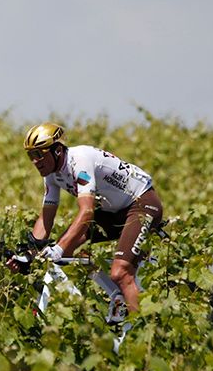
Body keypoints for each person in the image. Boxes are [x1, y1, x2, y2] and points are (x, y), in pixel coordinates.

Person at [10, 122, 164, 313]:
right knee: (64, 256)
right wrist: (31, 253)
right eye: (31, 156)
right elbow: (46, 218)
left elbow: (87, 212)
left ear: (57, 151)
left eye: (39, 154)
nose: (35, 161)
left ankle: (141, 331)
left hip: (141, 203)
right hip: (113, 212)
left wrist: (58, 248)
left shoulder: (80, 161)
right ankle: (112, 298)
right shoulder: (50, 174)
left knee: (120, 272)